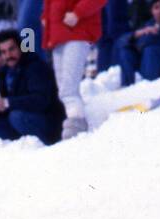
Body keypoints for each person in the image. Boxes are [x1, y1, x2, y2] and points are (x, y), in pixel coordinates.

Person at [42, 1, 102, 139]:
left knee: (68, 90)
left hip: (77, 33)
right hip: (57, 38)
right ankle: (78, 121)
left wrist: (78, 13)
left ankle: (76, 125)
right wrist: (46, 21)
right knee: (64, 89)